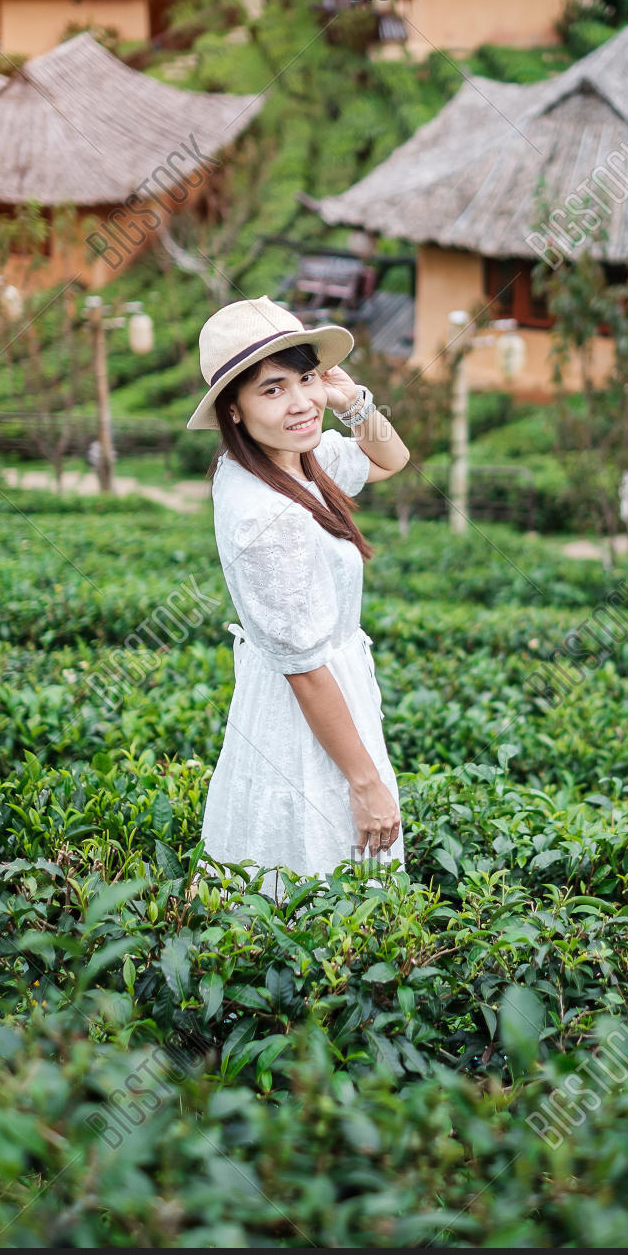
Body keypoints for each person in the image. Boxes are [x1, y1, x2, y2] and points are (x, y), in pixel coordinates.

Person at [187, 296, 411, 894]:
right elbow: (306, 669)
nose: (300, 402)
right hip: (307, 712)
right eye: (273, 389)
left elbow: (391, 458)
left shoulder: (296, 461)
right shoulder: (268, 515)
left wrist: (351, 400)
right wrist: (364, 783)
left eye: (305, 378)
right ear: (233, 410)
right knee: (319, 874)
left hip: (325, 696)